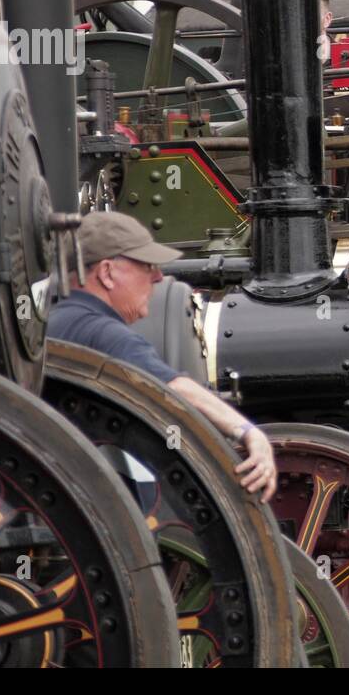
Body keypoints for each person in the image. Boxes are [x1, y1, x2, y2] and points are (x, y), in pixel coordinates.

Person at [48, 212, 277, 500]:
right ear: (107, 273)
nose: (158, 277)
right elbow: (173, 388)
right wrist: (247, 432)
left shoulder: (55, 321)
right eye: (146, 266)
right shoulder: (101, 333)